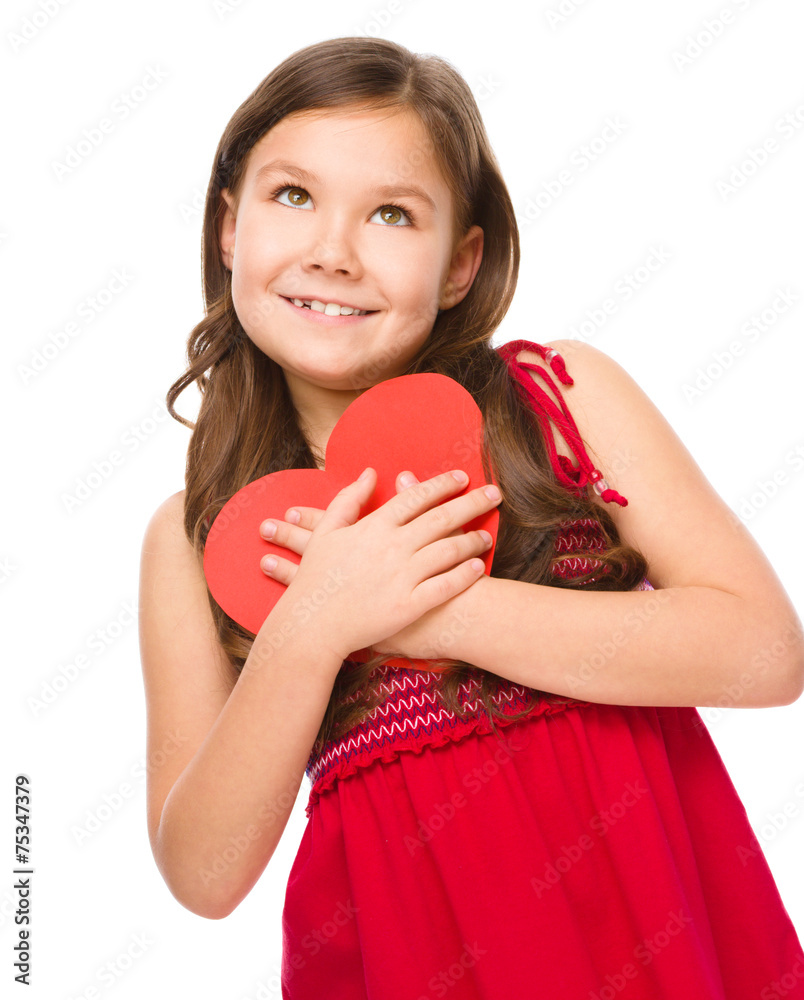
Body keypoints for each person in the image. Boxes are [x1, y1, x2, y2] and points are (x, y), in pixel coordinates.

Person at [138, 35, 804, 999]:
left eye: (393, 214)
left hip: (653, 939)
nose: (333, 250)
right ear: (227, 226)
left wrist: (426, 608)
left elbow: (765, 652)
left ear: (462, 262)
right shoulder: (196, 535)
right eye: (293, 197)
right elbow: (203, 872)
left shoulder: (560, 400)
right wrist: (318, 620)